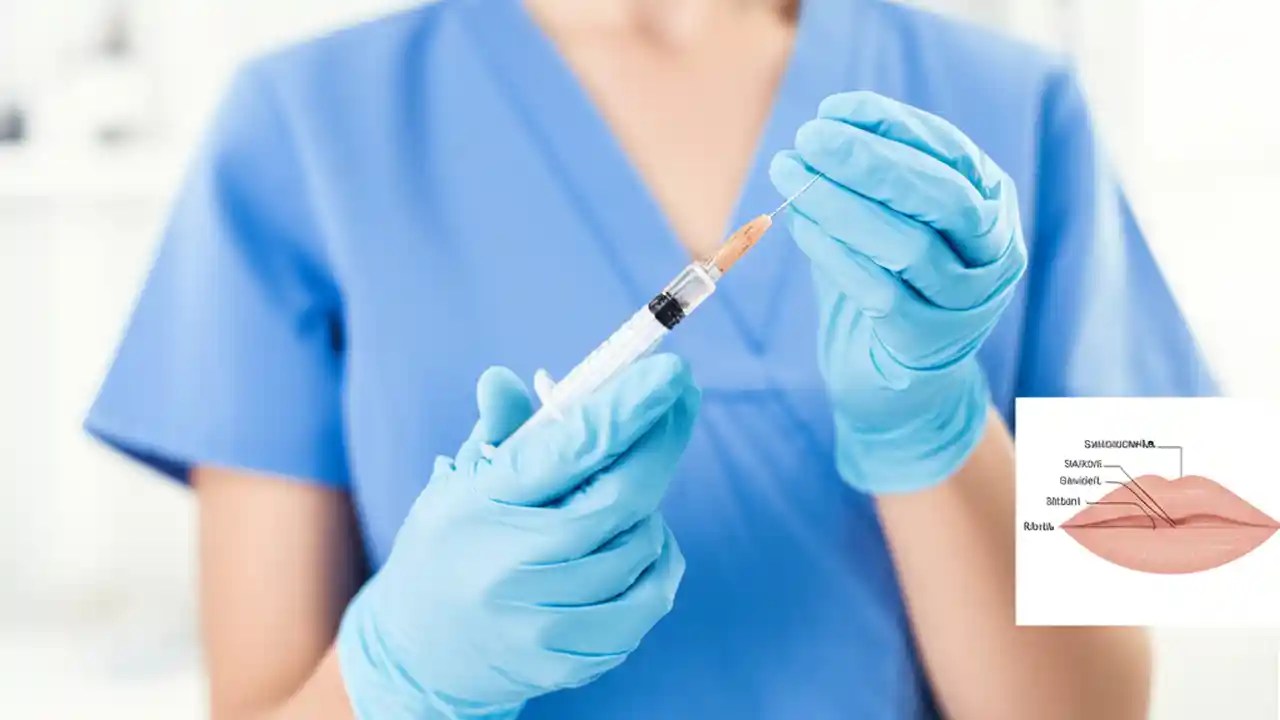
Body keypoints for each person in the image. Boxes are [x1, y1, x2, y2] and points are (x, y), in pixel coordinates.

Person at [86, 0, 1215, 718]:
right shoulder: (302, 122)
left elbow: (1108, 708)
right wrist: (396, 673)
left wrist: (930, 424)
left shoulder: (1024, 107)